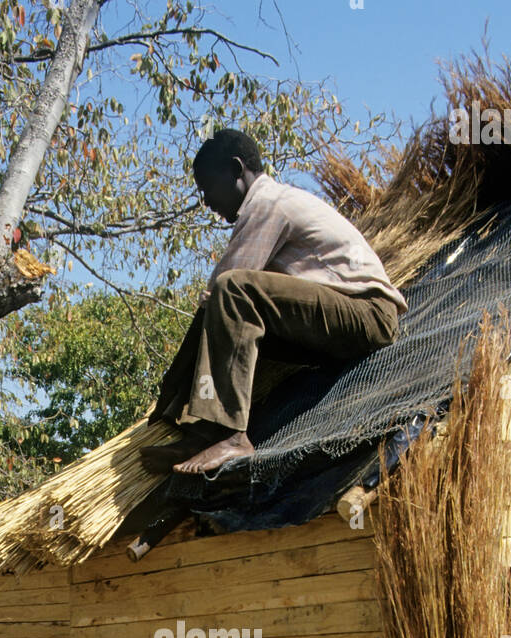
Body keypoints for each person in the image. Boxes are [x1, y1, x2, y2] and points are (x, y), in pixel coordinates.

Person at [142, 128, 408, 476]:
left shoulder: (268, 205)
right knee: (236, 317)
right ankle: (205, 433)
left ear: (237, 170)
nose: (206, 201)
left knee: (232, 290)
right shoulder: (268, 205)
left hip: (367, 314)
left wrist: (171, 390)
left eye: (207, 187)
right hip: (336, 322)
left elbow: (220, 294)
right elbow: (224, 324)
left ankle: (232, 435)